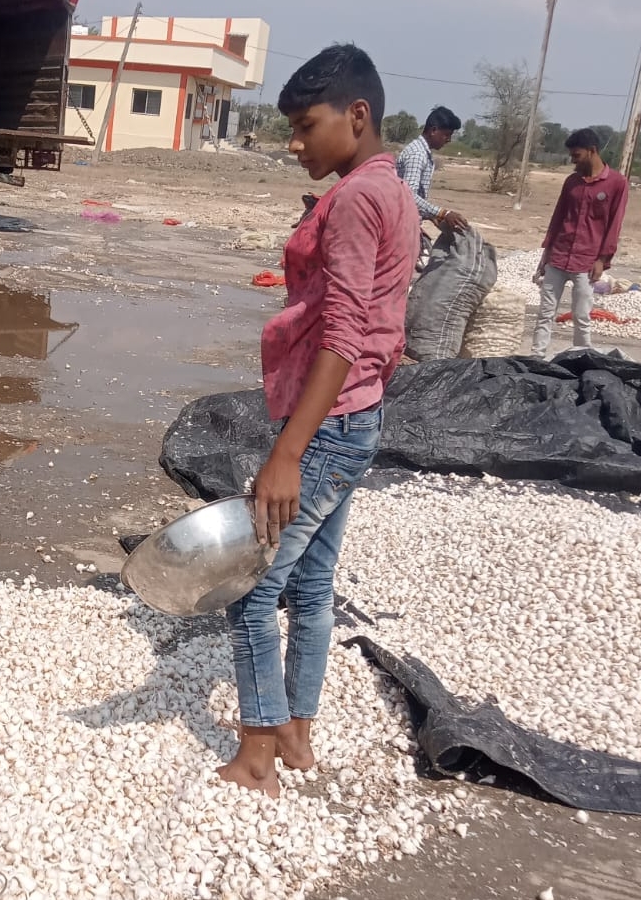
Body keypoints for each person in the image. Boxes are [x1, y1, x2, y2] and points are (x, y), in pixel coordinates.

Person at [216, 44, 418, 798]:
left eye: (306, 126)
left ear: (356, 116)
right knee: (312, 584)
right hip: (358, 412)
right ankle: (299, 735)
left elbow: (344, 332)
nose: (294, 143)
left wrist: (287, 453)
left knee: (250, 589)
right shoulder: (385, 186)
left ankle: (257, 756)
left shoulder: (359, 199)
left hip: (329, 425)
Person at [531, 128, 629, 357]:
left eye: (576, 156)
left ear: (592, 151)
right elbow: (558, 217)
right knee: (546, 311)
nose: (573, 160)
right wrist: (546, 253)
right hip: (558, 255)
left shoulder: (616, 183)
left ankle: (581, 358)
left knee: (582, 315)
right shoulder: (571, 182)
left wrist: (602, 259)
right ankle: (536, 356)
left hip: (587, 261)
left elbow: (615, 224)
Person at [396, 106, 468, 233]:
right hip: (401, 227)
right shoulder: (417, 154)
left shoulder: (423, 153)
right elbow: (409, 196)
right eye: (447, 135)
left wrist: (431, 215)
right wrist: (442, 213)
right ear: (433, 130)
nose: (448, 140)